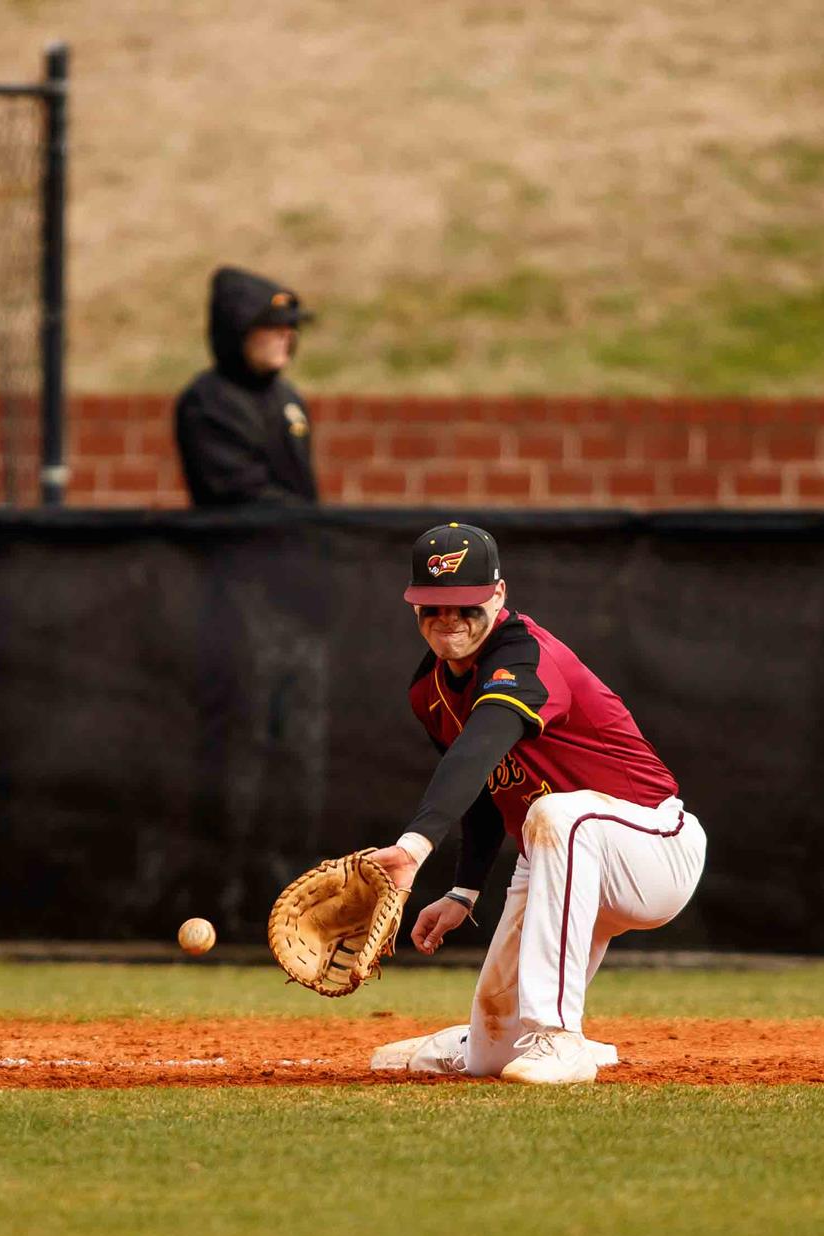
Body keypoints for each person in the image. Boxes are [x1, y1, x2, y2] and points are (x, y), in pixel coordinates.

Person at [363, 523, 707, 1085]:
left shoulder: (526, 657)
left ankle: (560, 1038)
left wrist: (411, 848)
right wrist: (462, 889)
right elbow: (481, 786)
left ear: (497, 595)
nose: (448, 619)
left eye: (464, 604)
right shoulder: (429, 690)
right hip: (563, 858)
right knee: (493, 1060)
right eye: (432, 605)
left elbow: (480, 747)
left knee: (553, 815)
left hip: (651, 846)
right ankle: (489, 1040)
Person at [173, 265, 318, 506]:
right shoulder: (208, 402)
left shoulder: (287, 397)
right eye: (272, 328)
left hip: (297, 539)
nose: (287, 336)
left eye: (290, 327)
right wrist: (308, 522)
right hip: (241, 541)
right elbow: (240, 494)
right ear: (239, 332)